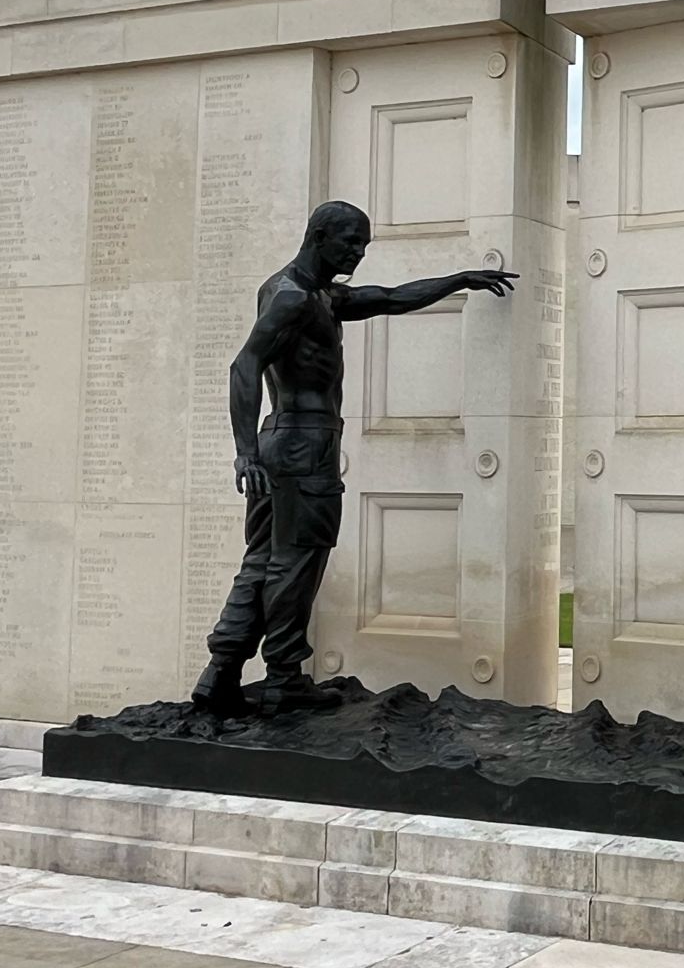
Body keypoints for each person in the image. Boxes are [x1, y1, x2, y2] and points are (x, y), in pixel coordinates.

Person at [190, 201, 516, 717]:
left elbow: (387, 298)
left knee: (261, 563)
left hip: (284, 444)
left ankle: (221, 672)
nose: (359, 253)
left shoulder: (314, 293)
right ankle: (284, 677)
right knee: (296, 565)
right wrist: (243, 453)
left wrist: (459, 279)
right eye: (350, 243)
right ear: (318, 236)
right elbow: (244, 365)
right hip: (302, 447)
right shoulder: (294, 297)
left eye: (363, 244)